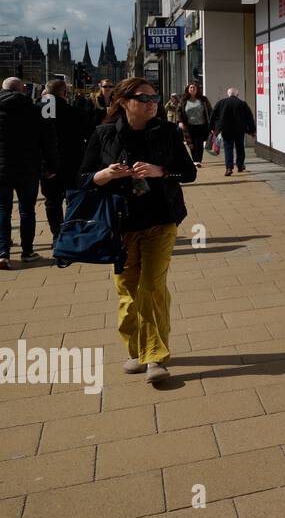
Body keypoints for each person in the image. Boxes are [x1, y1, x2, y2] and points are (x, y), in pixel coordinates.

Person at [79, 78, 195, 383]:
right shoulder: (103, 134)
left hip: (161, 220)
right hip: (120, 225)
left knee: (151, 287)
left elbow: (189, 172)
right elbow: (82, 177)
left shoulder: (167, 132)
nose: (151, 102)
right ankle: (136, 350)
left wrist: (161, 172)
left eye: (154, 97)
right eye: (143, 98)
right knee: (128, 291)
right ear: (123, 101)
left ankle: (155, 356)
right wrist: (103, 175)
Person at [0, 77, 58, 269]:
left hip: (1, 170)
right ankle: (27, 251)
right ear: (23, 89)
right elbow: (48, 142)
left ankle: (3, 252)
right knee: (27, 211)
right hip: (28, 169)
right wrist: (51, 167)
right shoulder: (36, 111)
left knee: (3, 210)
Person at [40, 78, 92, 242]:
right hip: (73, 164)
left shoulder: (43, 111)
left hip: (49, 165)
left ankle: (57, 235)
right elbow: (90, 135)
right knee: (73, 199)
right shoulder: (75, 112)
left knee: (52, 202)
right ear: (64, 93)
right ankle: (72, 233)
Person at [210, 87, 255, 176]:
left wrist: (212, 128)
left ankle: (229, 168)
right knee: (240, 147)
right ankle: (240, 165)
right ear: (237, 94)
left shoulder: (221, 103)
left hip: (226, 130)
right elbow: (249, 117)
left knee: (228, 148)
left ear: (228, 94)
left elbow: (213, 115)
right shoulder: (242, 103)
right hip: (239, 130)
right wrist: (252, 130)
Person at [179, 81, 212, 166]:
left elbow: (209, 111)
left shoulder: (203, 99)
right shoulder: (184, 100)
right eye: (190, 88)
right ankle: (194, 160)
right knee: (191, 144)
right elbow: (179, 112)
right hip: (189, 126)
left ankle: (198, 160)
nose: (192, 89)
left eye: (194, 88)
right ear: (188, 89)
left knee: (199, 143)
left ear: (197, 89)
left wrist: (212, 124)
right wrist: (180, 122)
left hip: (202, 125)